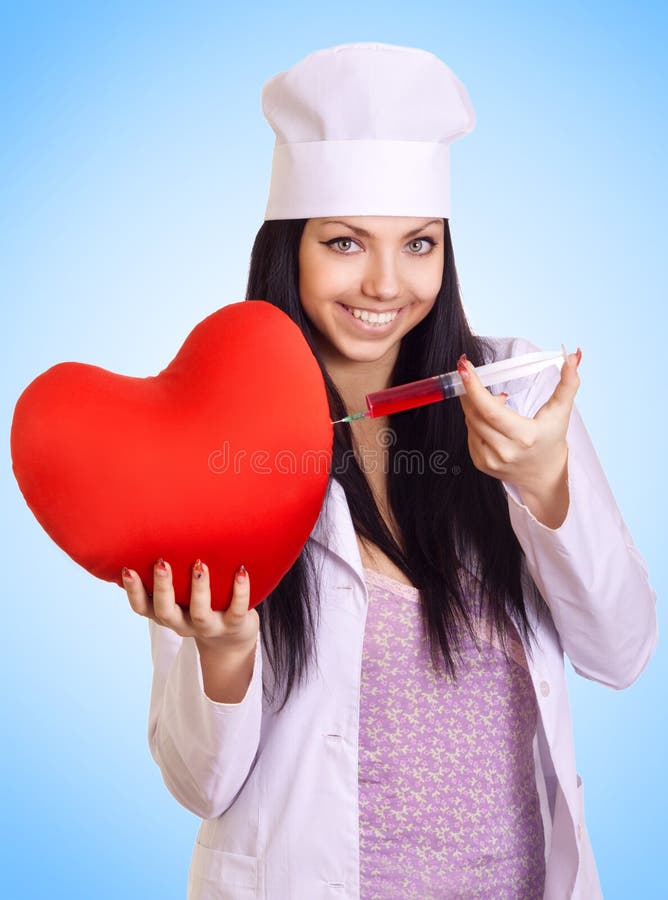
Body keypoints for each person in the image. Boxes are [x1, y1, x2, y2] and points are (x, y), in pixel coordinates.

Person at [121, 44, 657, 899]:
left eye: (418, 243)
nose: (385, 283)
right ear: (287, 250)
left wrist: (550, 485)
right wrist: (223, 655)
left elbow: (622, 654)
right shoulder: (215, 442)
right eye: (343, 242)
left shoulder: (512, 395)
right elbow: (201, 785)